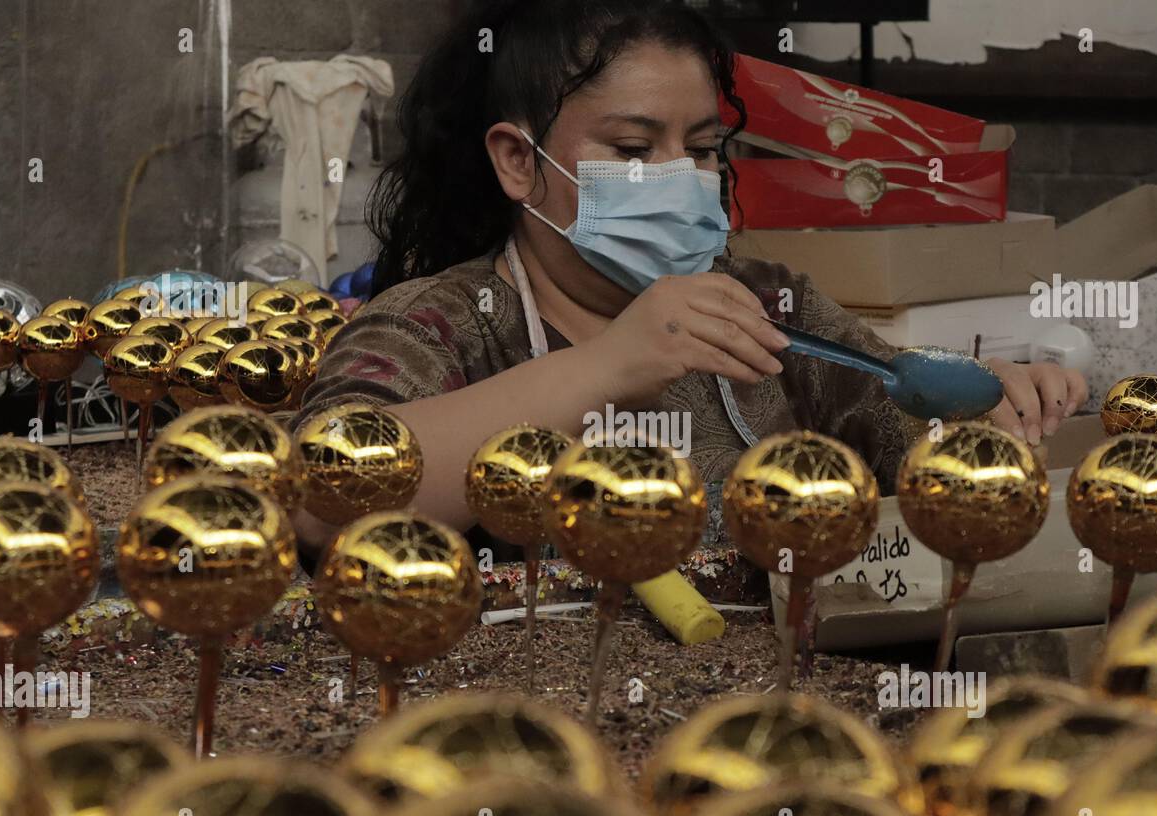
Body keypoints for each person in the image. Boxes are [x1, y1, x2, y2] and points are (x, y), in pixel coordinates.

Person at [293, 0, 1086, 555]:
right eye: (634, 151)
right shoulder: (439, 324)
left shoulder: (771, 308)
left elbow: (901, 423)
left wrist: (989, 405)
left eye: (702, 149)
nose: (679, 176)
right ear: (517, 161)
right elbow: (321, 502)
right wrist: (608, 366)